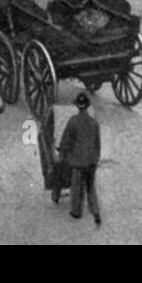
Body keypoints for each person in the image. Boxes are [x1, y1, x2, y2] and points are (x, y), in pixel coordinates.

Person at [56, 92, 102, 224]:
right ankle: (95, 211)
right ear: (87, 106)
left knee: (77, 188)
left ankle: (76, 212)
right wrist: (96, 158)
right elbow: (97, 143)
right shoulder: (94, 123)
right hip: (91, 161)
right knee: (91, 187)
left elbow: (66, 141)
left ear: (77, 106)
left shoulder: (73, 121)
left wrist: (62, 155)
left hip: (78, 162)